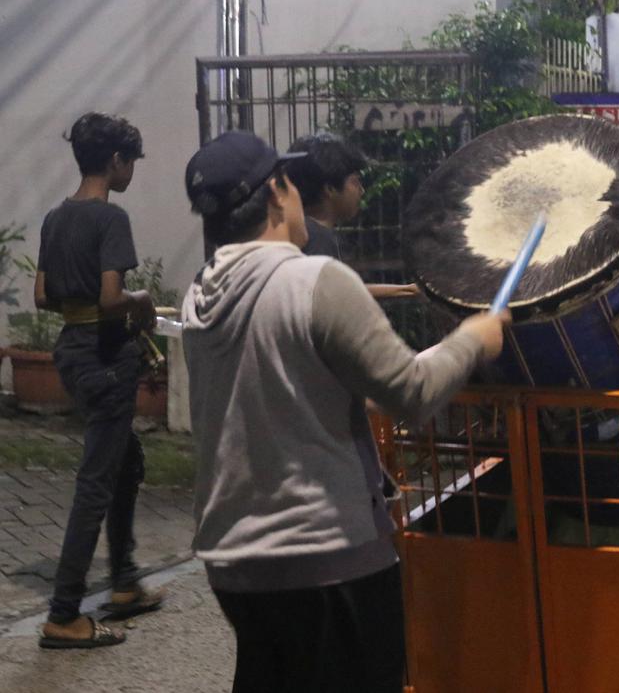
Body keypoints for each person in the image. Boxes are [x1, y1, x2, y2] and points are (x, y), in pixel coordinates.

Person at [180, 131, 509, 692]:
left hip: (235, 564)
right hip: (325, 559)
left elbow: (312, 381)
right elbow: (409, 392)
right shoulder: (314, 282)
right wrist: (474, 339)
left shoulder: (200, 295)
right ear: (276, 194)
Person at [36, 113, 164, 649]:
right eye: (130, 161)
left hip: (71, 349)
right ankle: (64, 613)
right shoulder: (111, 220)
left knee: (125, 460)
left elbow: (43, 296)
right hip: (107, 357)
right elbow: (114, 300)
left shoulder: (55, 218)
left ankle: (126, 583)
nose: (132, 170)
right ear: (114, 162)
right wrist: (142, 302)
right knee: (96, 482)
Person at [285, 132, 419, 299]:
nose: (361, 190)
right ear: (330, 189)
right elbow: (331, 297)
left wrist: (407, 290)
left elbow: (339, 289)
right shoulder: (318, 240)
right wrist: (406, 290)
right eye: (355, 181)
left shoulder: (306, 231)